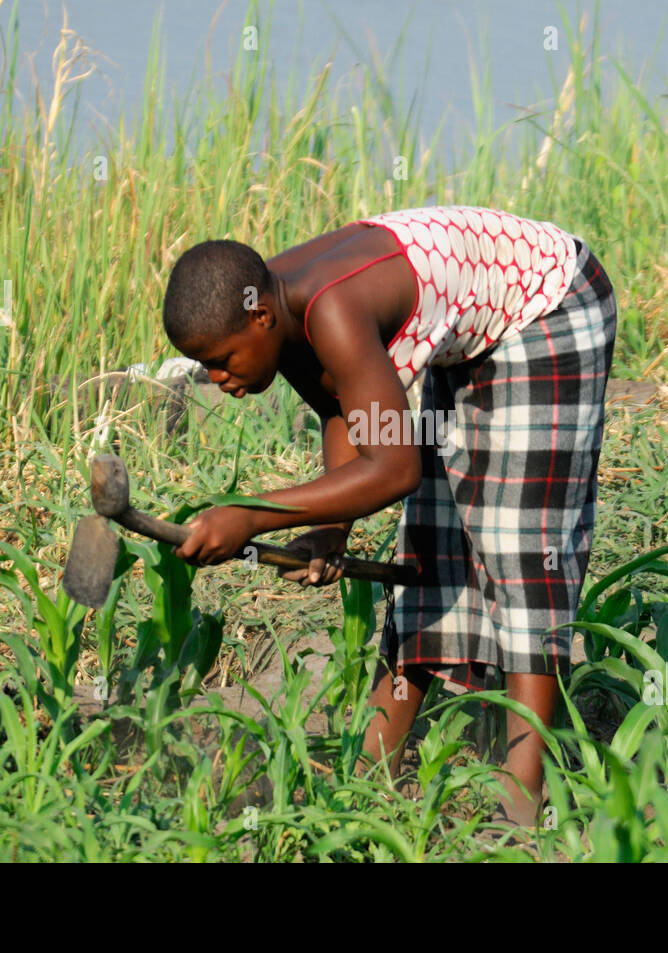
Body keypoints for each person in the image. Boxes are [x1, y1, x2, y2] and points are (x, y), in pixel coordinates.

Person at [165, 206, 617, 825]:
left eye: (221, 360)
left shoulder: (330, 309)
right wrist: (329, 529)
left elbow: (393, 468)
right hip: (472, 331)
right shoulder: (279, 308)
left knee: (518, 548)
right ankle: (373, 782)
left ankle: (522, 794)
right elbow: (343, 411)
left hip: (548, 308)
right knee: (430, 543)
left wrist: (251, 515)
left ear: (260, 319)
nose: (217, 379)